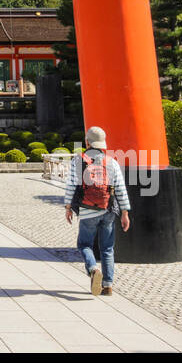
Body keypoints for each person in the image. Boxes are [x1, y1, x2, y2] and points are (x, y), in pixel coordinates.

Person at [63, 126, 131, 296]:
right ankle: (108, 286)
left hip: (87, 210)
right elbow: (121, 189)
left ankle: (93, 269)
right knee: (107, 248)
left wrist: (68, 207)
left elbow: (71, 185)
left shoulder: (78, 161)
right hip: (107, 209)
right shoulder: (112, 162)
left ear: (87, 142)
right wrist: (125, 212)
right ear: (102, 144)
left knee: (84, 244)